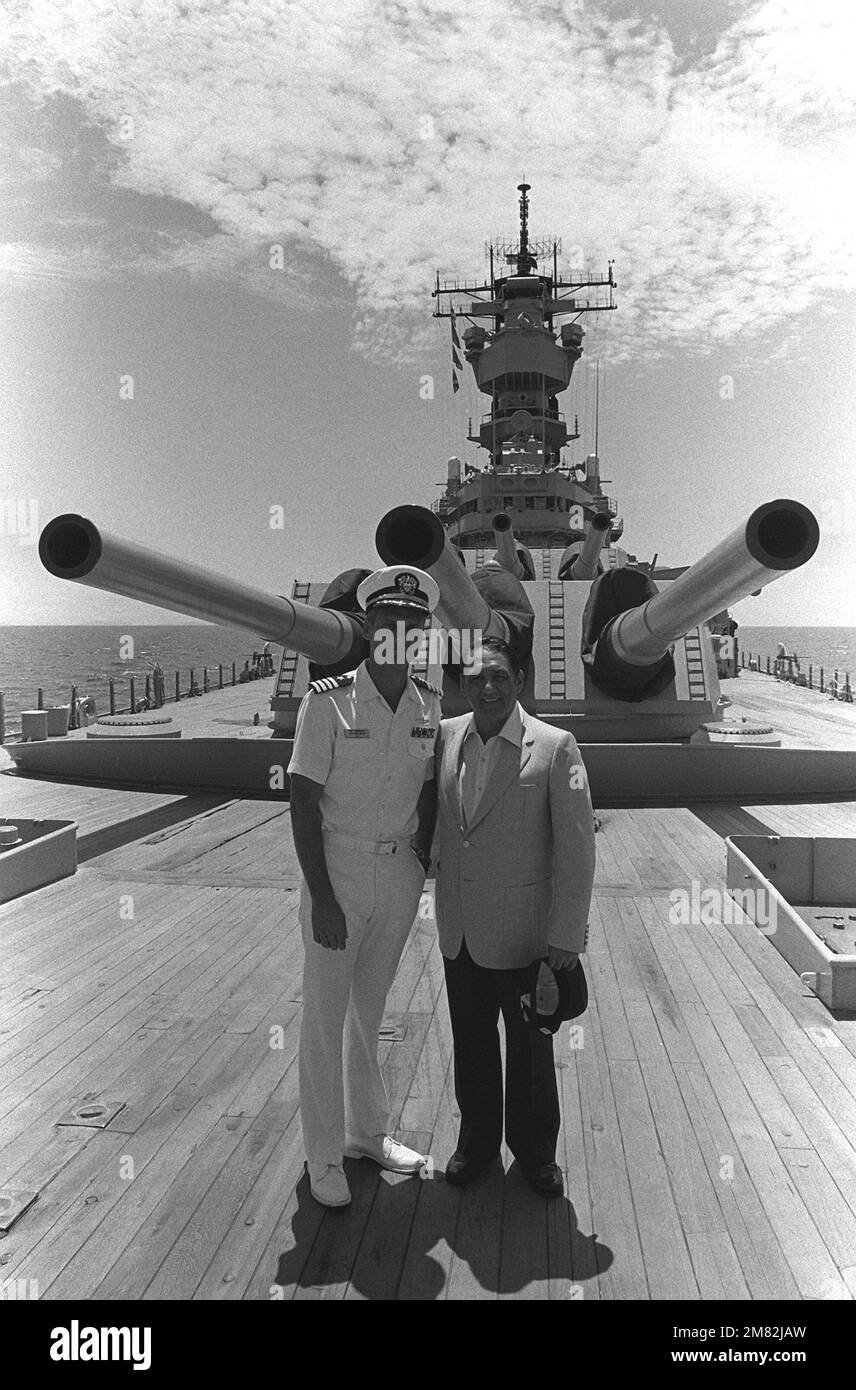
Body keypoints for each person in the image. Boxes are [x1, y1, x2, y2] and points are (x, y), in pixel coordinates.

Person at [287, 565, 442, 1208]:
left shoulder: (429, 705)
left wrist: (423, 859)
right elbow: (301, 798)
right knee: (323, 1020)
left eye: (412, 623)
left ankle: (367, 1135)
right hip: (338, 872)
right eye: (388, 620)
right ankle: (323, 1158)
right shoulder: (326, 703)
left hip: (399, 875)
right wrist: (321, 894)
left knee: (368, 1013)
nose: (399, 631)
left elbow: (430, 787)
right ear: (371, 626)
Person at [432, 635, 596, 1198]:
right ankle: (475, 1143)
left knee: (530, 1053)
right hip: (461, 929)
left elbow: (577, 849)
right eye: (476, 677)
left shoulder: (557, 747)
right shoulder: (446, 736)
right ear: (463, 685)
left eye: (500, 676)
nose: (488, 687)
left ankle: (535, 1154)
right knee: (471, 1043)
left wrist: (567, 936)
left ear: (520, 680)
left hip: (527, 934)